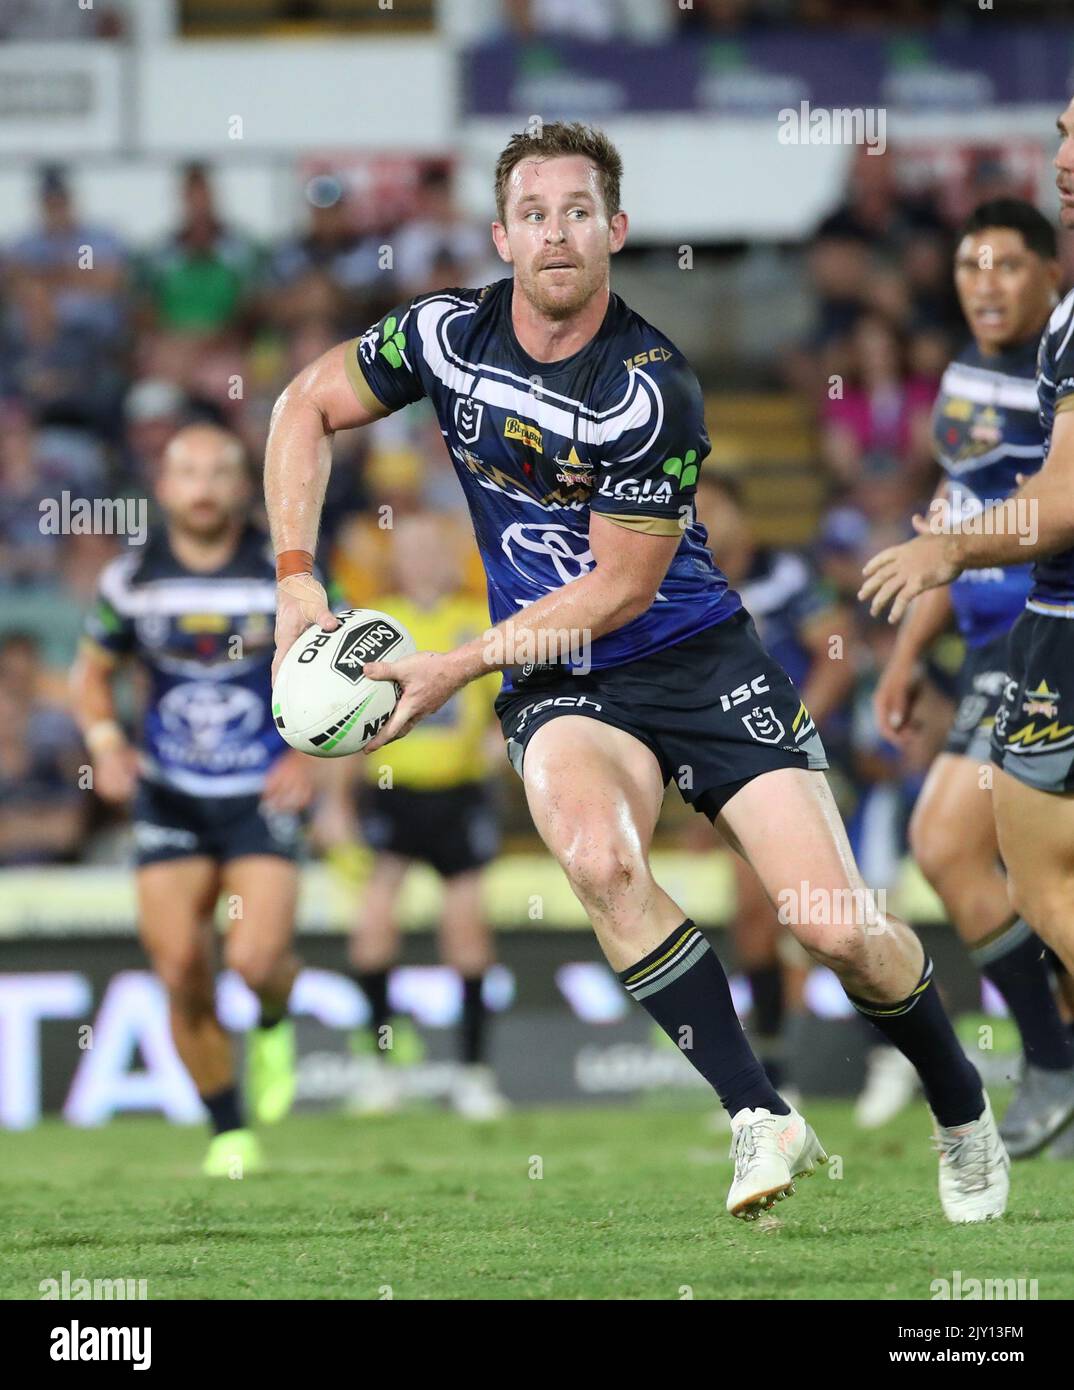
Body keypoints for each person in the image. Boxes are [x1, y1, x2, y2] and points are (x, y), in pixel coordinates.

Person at [266, 121, 1006, 1222]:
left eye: (576, 211)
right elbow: (302, 406)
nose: (554, 231)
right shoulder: (442, 334)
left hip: (695, 660)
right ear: (501, 234)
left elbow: (617, 590)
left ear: (616, 228)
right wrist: (293, 580)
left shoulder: (651, 387)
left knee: (838, 929)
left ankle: (962, 1108)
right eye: (533, 212)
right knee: (596, 856)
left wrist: (452, 667)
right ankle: (760, 1114)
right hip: (564, 683)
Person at [868, 199, 1074, 1157]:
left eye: (1005, 265)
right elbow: (951, 520)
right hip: (995, 648)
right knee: (957, 850)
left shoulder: (1062, 366)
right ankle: (1054, 1059)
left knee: (962, 846)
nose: (984, 284)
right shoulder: (958, 380)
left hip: (1050, 635)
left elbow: (1045, 513)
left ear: (1049, 271)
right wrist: (907, 656)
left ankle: (1052, 1061)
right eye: (968, 265)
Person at [71, 424, 313, 1176]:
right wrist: (107, 744)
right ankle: (227, 1129)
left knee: (255, 955)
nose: (204, 487)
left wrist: (310, 755)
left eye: (220, 472)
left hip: (258, 792)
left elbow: (341, 676)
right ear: (164, 487)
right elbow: (89, 674)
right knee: (179, 965)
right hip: (169, 797)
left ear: (246, 486)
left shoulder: (284, 577)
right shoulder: (131, 580)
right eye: (188, 472)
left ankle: (274, 1016)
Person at [321, 512, 506, 1119]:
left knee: (467, 929)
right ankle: (380, 1069)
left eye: (435, 546)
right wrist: (335, 802)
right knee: (373, 924)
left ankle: (474, 1073)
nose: (425, 559)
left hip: (458, 795)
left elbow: (511, 703)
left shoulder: (473, 623)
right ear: (394, 561)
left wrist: (500, 745)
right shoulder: (376, 627)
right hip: (393, 795)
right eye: (413, 548)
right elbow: (345, 718)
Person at [693, 471, 854, 1102]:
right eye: (689, 510)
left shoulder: (788, 574)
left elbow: (837, 656)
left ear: (740, 514)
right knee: (755, 919)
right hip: (730, 769)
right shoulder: (681, 588)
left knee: (832, 916)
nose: (699, 521)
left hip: (808, 760)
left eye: (711, 508)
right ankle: (776, 1074)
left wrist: (791, 729)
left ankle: (899, 1053)